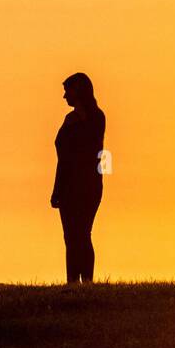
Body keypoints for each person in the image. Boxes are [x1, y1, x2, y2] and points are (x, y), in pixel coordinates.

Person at [51, 73, 106, 283]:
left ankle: (87, 282)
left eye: (68, 90)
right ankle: (73, 282)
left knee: (82, 234)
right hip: (67, 185)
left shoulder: (96, 117)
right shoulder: (69, 120)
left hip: (88, 184)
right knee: (71, 237)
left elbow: (92, 147)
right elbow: (62, 158)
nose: (65, 96)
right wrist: (57, 189)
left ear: (79, 91)